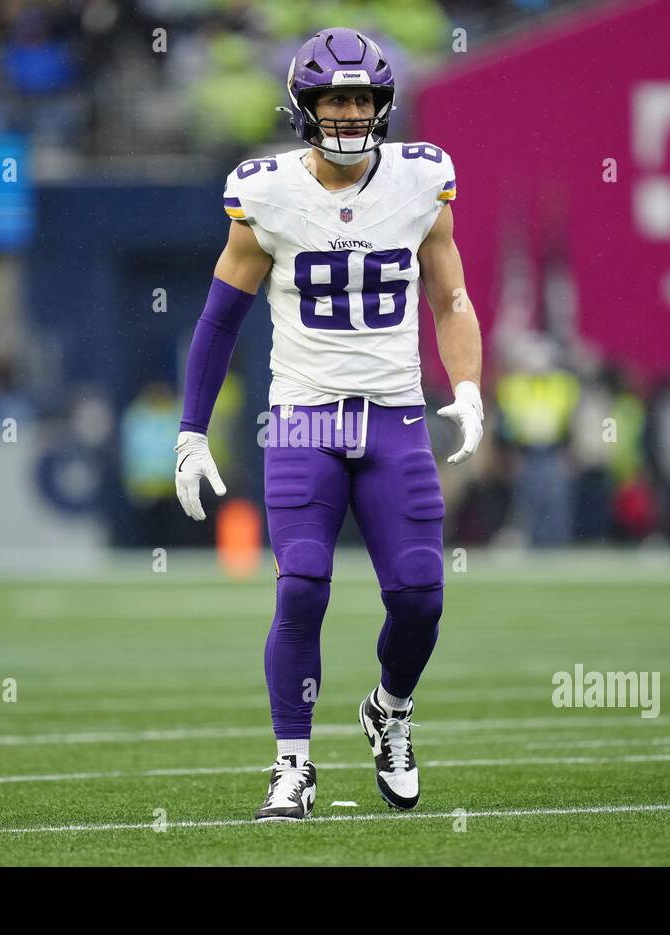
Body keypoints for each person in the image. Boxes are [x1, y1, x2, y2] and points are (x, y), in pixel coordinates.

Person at [172, 28, 483, 821]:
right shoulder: (267, 191)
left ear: (384, 104)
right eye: (334, 99)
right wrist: (191, 430)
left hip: (394, 418)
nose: (349, 113)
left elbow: (450, 298)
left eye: (362, 99)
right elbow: (218, 320)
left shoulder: (421, 178)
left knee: (419, 598)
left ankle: (390, 711)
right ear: (304, 106)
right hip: (304, 419)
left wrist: (469, 388)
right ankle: (292, 765)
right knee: (303, 583)